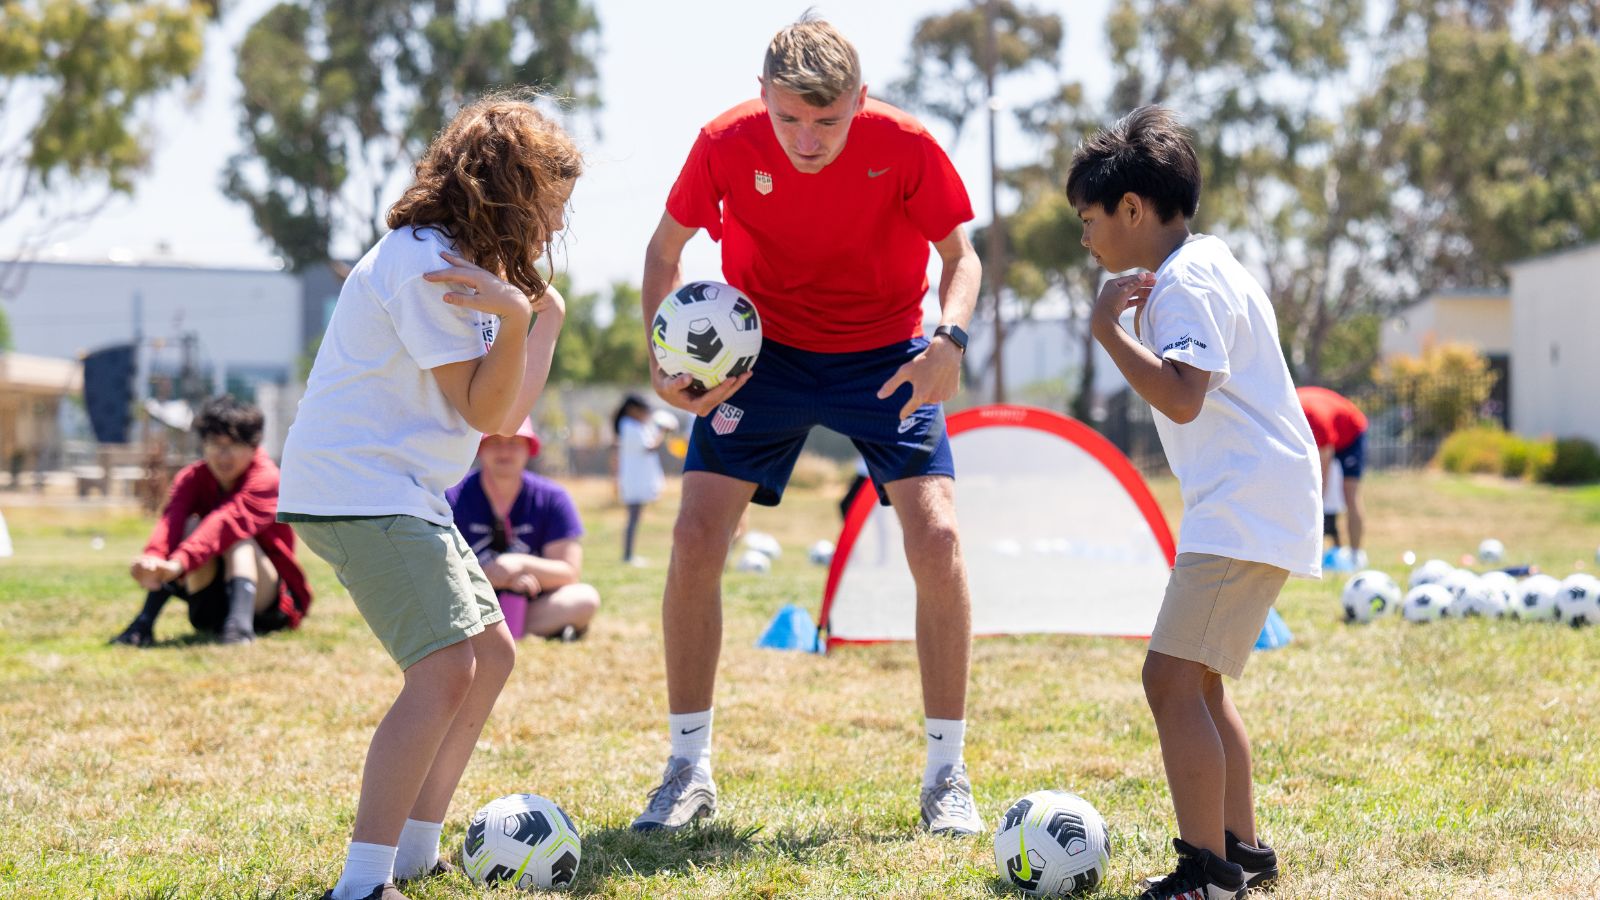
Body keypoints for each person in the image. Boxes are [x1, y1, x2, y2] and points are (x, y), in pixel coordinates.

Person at [632, 14, 984, 836]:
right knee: (692, 538)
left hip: (887, 351)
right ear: (762, 98)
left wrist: (949, 339)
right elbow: (662, 253)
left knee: (937, 540)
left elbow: (961, 258)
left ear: (861, 101)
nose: (808, 138)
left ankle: (947, 775)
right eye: (789, 118)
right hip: (763, 355)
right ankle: (687, 769)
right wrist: (662, 359)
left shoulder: (907, 143)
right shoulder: (722, 141)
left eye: (828, 120)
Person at [275, 91, 576, 900]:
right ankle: (364, 883)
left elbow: (505, 415)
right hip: (359, 485)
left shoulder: (470, 271)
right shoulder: (424, 264)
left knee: (491, 657)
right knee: (445, 669)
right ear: (507, 189)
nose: (551, 230)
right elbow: (484, 412)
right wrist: (514, 324)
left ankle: (414, 850)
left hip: (399, 486)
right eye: (548, 209)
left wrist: (538, 325)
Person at [1071, 106, 1321, 898]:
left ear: (1134, 209)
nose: (1086, 238)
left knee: (1169, 682)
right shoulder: (1208, 264)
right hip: (1257, 499)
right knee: (1203, 684)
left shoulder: (1181, 282)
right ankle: (1241, 851)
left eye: (1089, 218)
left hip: (1243, 505)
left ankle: (1206, 875)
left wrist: (1106, 331)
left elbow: (1183, 397)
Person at [110, 395, 312, 647]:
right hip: (210, 604)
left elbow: (225, 523)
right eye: (215, 443)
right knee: (189, 526)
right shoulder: (192, 478)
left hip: (268, 606)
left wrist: (179, 562)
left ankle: (239, 630)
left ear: (253, 447)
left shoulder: (267, 478)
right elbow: (171, 521)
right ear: (203, 445)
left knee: (238, 541)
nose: (223, 455)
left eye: (234, 444)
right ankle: (143, 624)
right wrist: (153, 557)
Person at [447, 419, 600, 641]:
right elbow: (438, 569)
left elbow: (568, 572)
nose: (504, 451)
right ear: (478, 448)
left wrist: (518, 565)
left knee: (584, 598)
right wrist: (490, 576)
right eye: (495, 442)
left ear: (530, 449)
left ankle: (495, 632)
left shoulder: (552, 498)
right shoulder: (453, 496)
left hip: (531, 605)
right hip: (469, 602)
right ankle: (514, 631)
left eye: (514, 443)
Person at [1298, 385, 1369, 569]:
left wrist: (1315, 503)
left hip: (1351, 432)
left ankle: (1355, 555)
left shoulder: (1315, 419)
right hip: (1328, 430)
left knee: (1350, 494)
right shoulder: (1283, 413)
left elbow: (1322, 474)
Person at [614, 393, 665, 565]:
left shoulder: (635, 425)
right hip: (634, 480)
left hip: (637, 478)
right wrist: (662, 432)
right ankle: (628, 555)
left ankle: (629, 554)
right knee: (633, 518)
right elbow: (649, 447)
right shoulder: (629, 426)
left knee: (635, 517)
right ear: (632, 410)